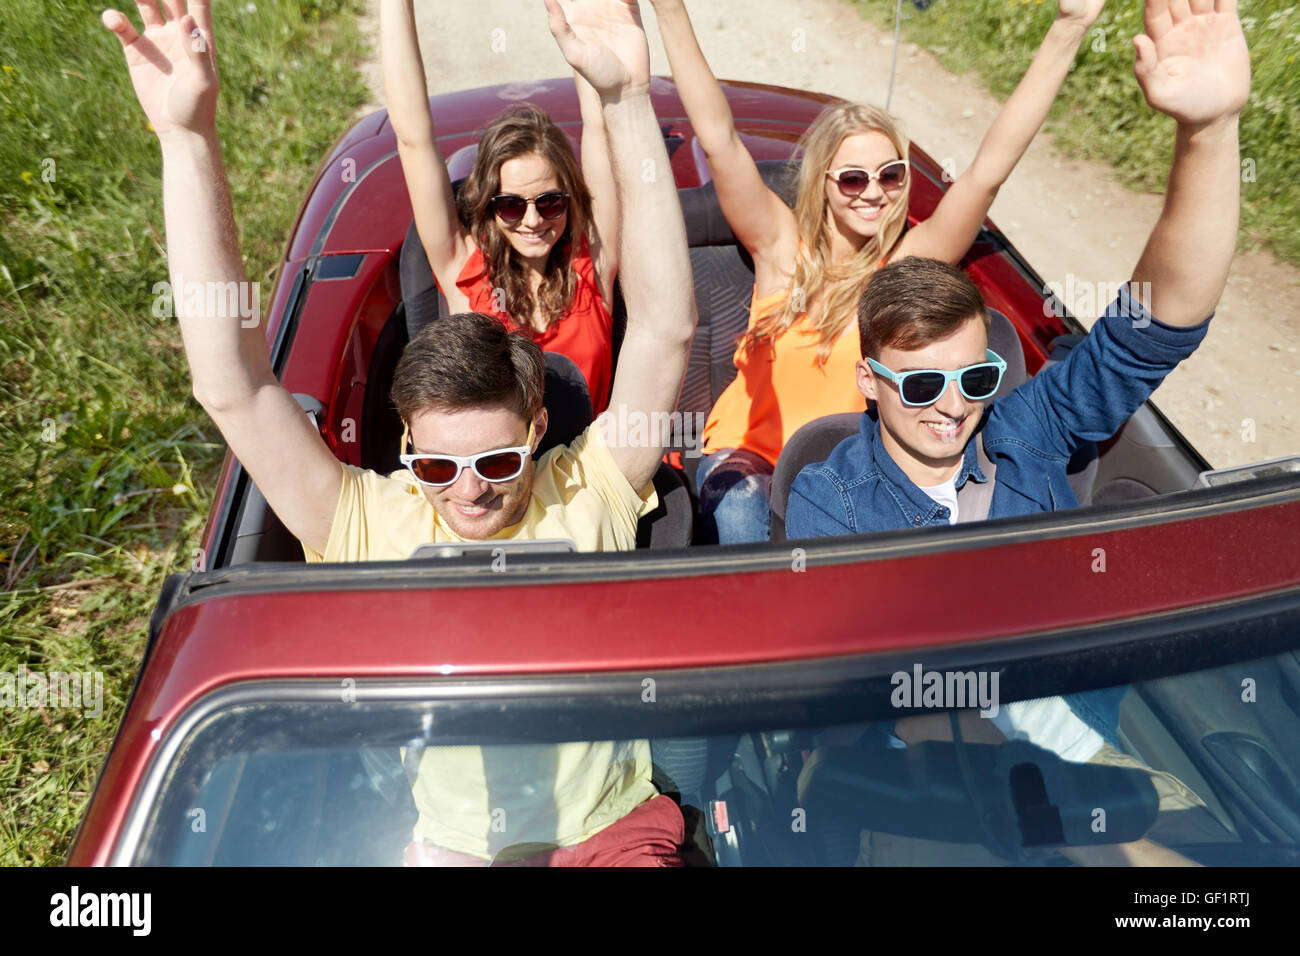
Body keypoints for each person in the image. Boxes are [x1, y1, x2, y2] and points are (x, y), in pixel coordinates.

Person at [103, 0, 695, 865]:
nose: (468, 492)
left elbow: (666, 332)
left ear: (536, 430)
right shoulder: (367, 522)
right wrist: (186, 143)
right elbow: (231, 388)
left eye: (496, 460)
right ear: (404, 448)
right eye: (434, 466)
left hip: (612, 831)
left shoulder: (590, 484)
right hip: (453, 849)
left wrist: (632, 98)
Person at [786, 0, 1251, 865]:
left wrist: (1212, 130)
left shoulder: (1025, 430)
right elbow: (881, 692)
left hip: (1070, 742)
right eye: (921, 382)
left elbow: (1156, 326)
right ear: (869, 383)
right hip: (922, 774)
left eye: (976, 378)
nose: (953, 405)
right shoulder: (829, 497)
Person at [648, 0, 1106, 543]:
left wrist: (1068, 27)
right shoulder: (780, 247)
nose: (873, 192)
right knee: (746, 512)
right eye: (852, 179)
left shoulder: (907, 269)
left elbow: (987, 173)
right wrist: (668, 8)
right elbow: (719, 139)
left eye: (890, 175)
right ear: (822, 181)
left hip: (844, 471)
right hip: (747, 460)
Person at [382, 0, 620, 413]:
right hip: (496, 474)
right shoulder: (463, 267)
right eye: (511, 205)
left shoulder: (593, 262)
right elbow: (413, 139)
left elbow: (601, 127)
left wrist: (580, 20)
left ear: (571, 198)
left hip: (590, 475)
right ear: (489, 206)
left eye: (550, 202)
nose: (533, 220)